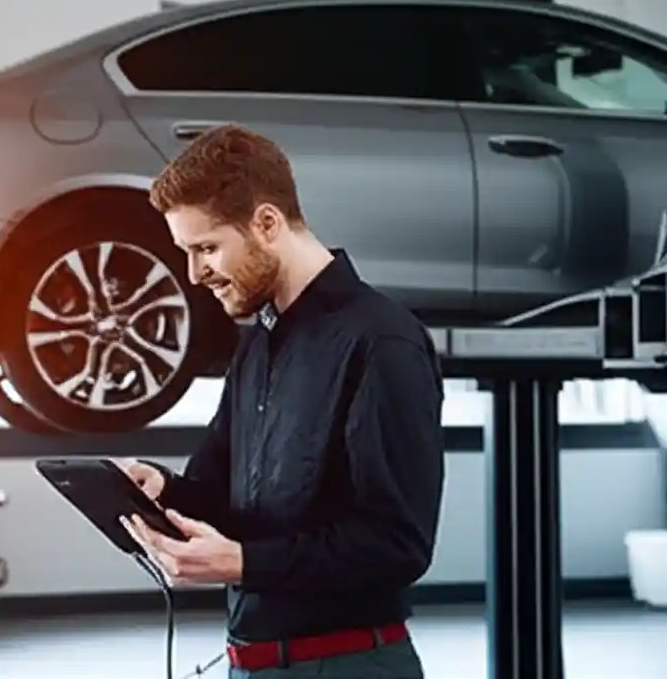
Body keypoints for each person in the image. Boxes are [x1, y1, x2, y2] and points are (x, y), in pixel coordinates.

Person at [117, 124, 446, 678]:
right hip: (248, 665)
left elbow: (398, 544)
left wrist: (245, 562)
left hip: (350, 667)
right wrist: (161, 489)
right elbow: (224, 499)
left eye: (205, 249)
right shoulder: (254, 348)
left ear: (266, 223)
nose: (194, 275)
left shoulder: (382, 341)